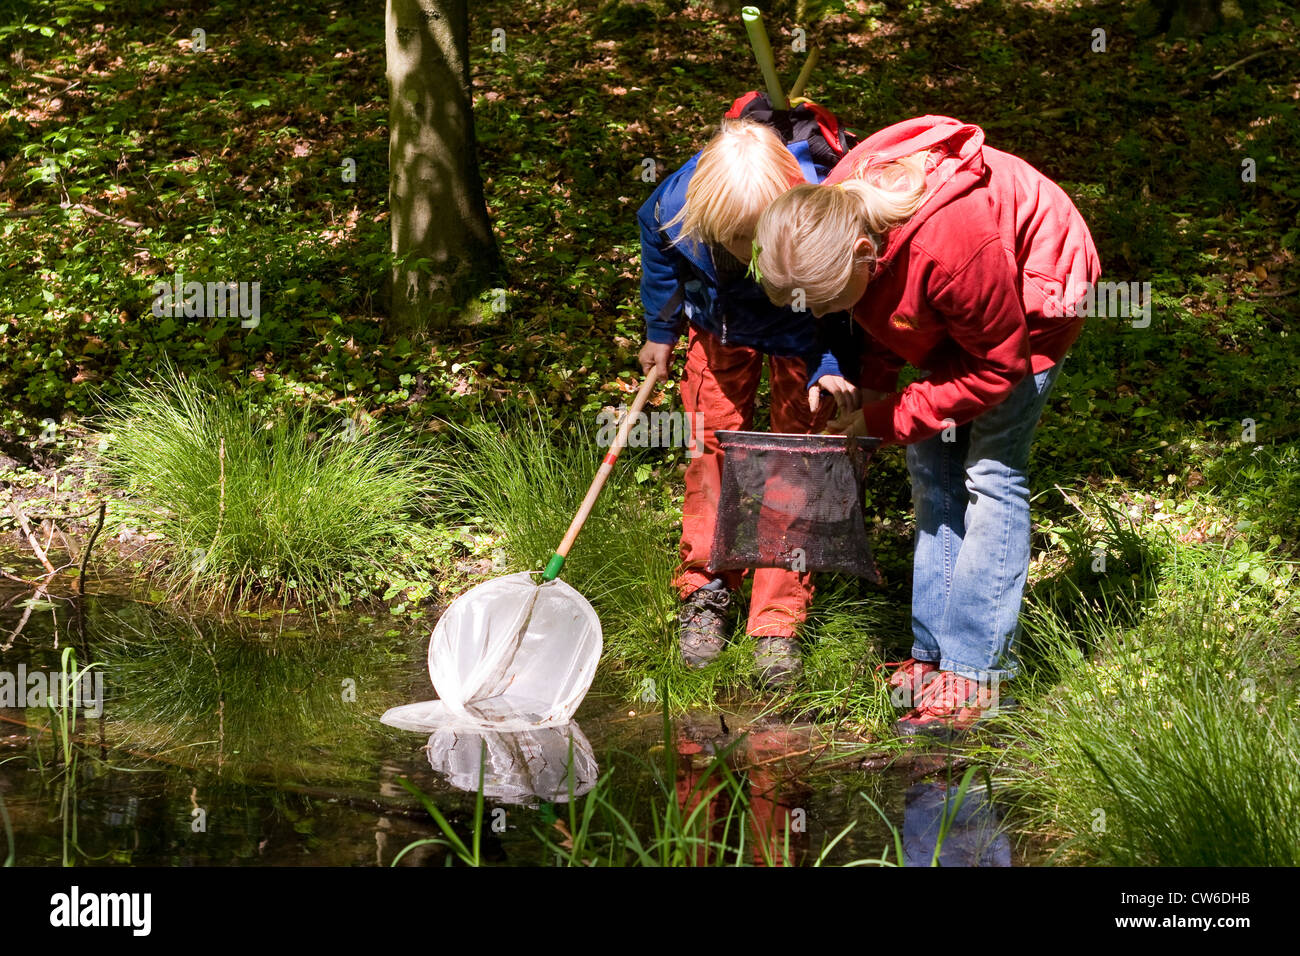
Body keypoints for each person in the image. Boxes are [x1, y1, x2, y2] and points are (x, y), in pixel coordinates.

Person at [752, 115, 1100, 734]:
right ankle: (934, 657)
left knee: (990, 474)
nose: (827, 313)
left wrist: (884, 418)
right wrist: (873, 391)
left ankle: (977, 673)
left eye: (829, 300)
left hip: (1031, 303)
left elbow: (998, 366)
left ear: (866, 253)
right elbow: (879, 312)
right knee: (932, 471)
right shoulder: (837, 210)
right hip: (960, 311)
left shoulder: (952, 244)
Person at [637, 116, 858, 689]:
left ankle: (777, 621)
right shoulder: (677, 206)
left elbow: (843, 295)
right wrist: (660, 331)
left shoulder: (819, 202)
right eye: (734, 242)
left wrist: (830, 363)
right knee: (710, 446)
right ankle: (706, 589)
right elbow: (657, 249)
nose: (749, 255)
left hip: (802, 338)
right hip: (719, 330)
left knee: (795, 457)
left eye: (759, 241)